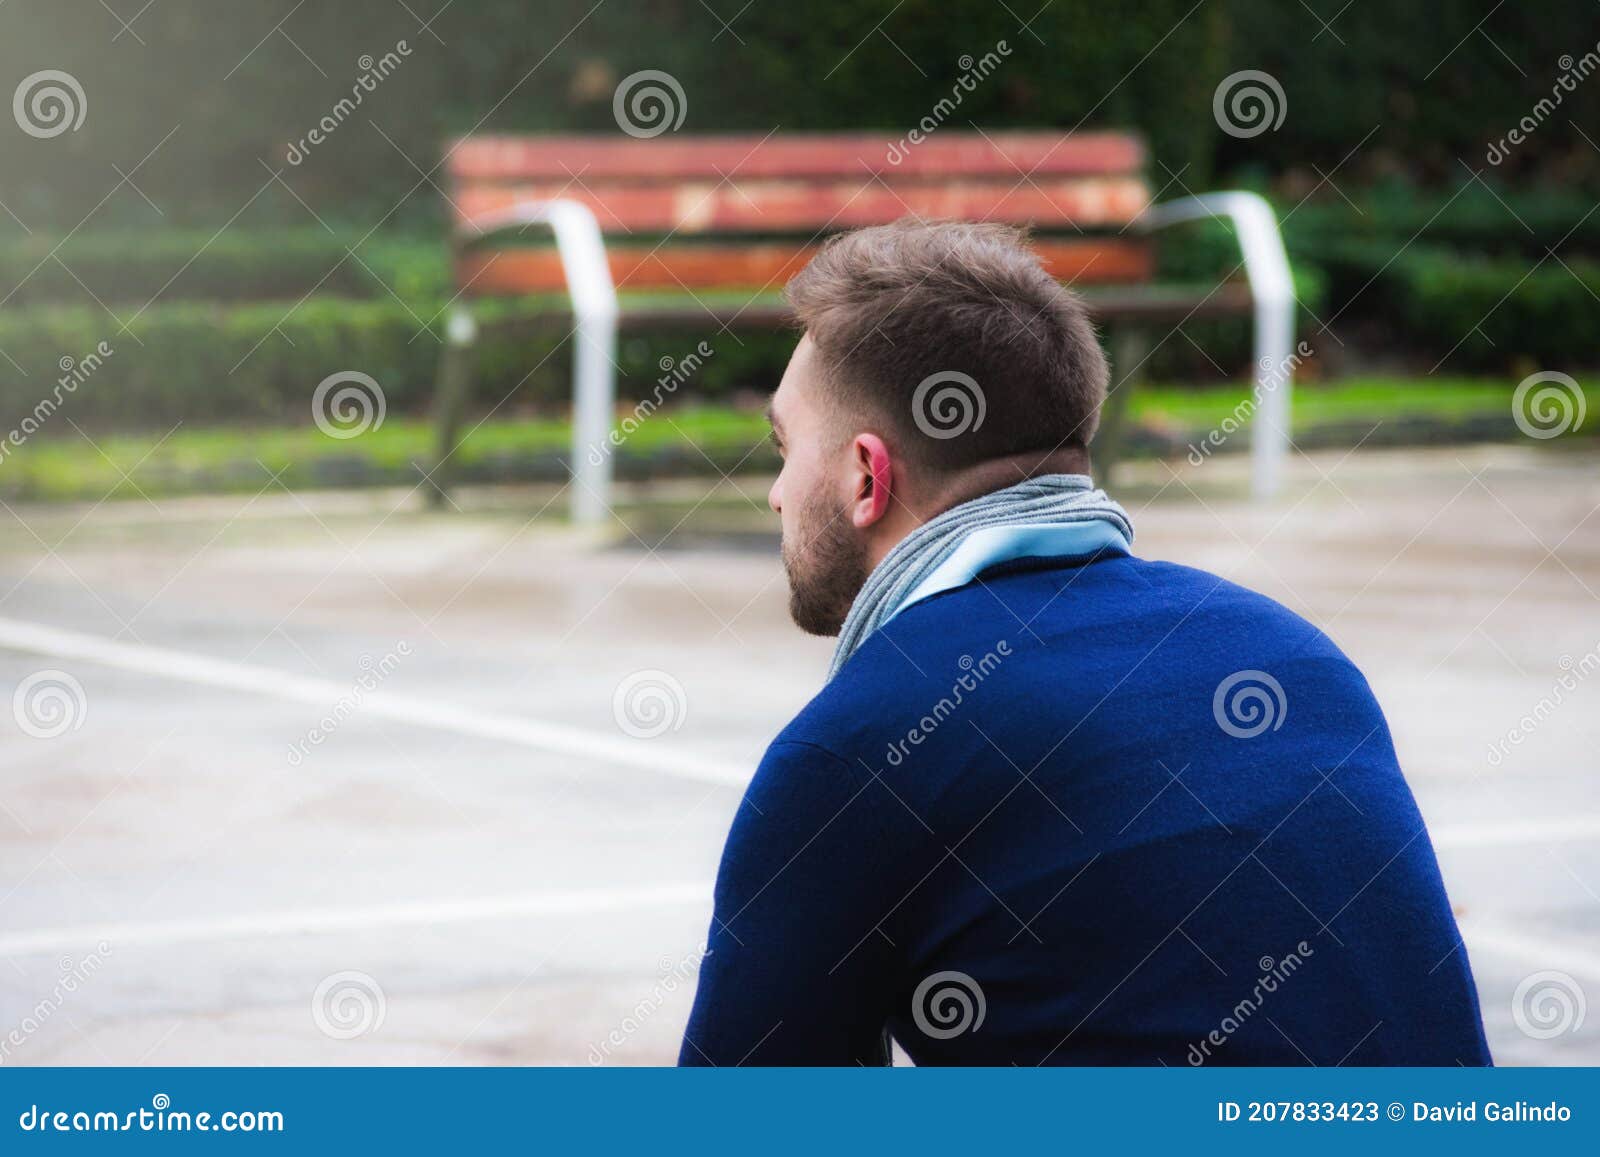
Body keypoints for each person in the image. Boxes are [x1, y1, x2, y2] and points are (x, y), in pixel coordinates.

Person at [678, 219, 1490, 1067]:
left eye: (783, 448)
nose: (773, 493)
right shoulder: (1296, 657)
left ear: (866, 477)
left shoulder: (856, 750)